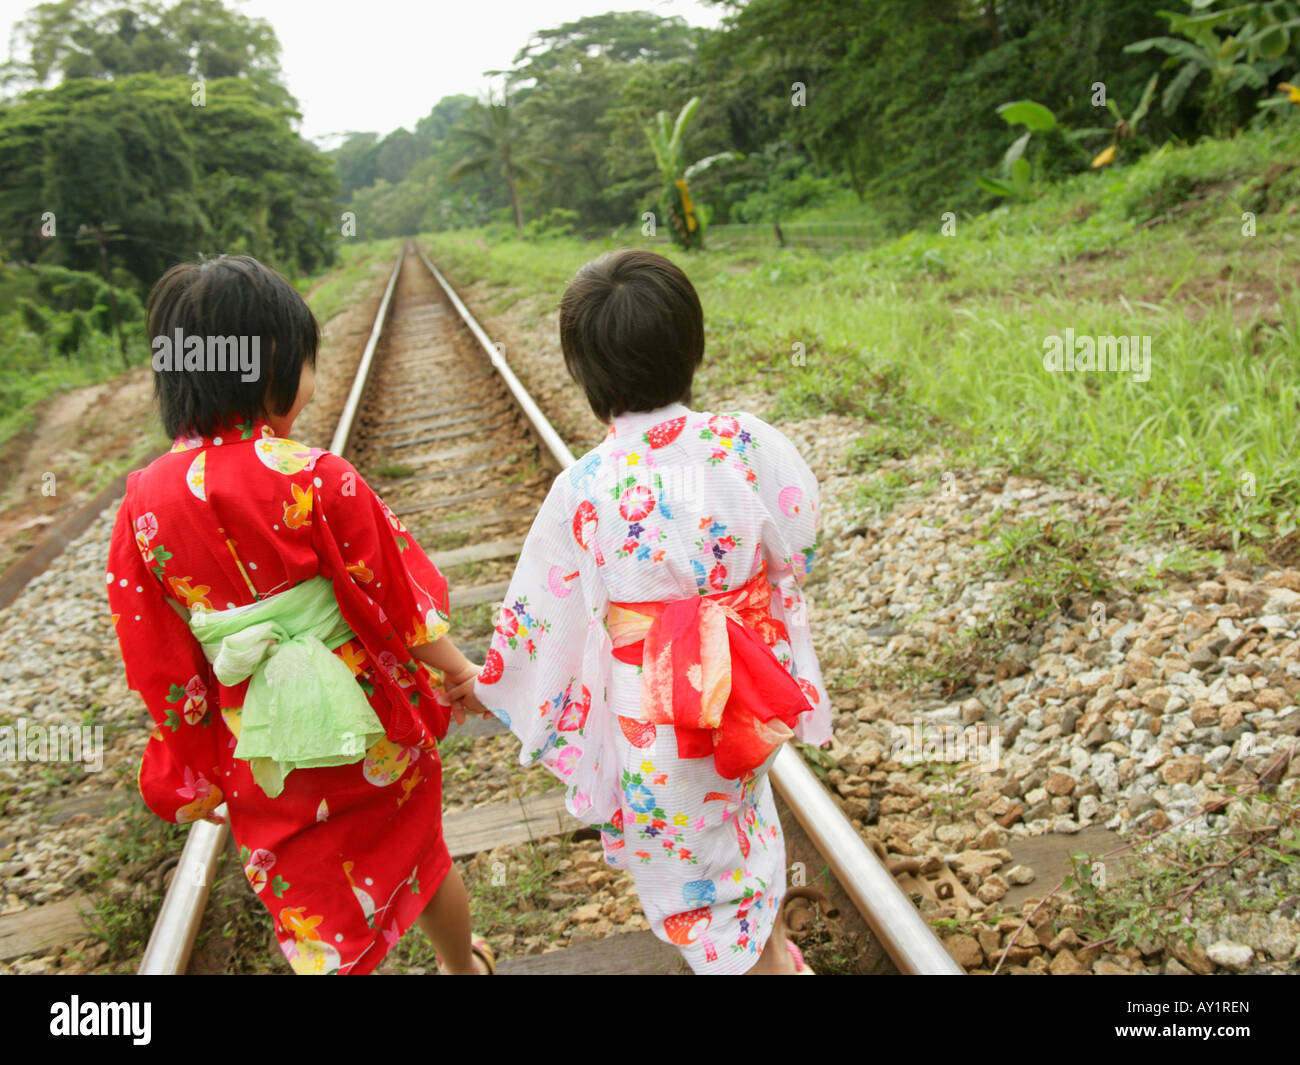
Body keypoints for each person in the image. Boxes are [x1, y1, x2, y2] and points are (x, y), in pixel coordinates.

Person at [106, 254, 492, 975]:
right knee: (422, 852)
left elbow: (158, 659)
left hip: (259, 742)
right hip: (365, 727)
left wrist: (194, 770)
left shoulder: (141, 504)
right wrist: (458, 671)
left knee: (307, 892)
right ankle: (461, 969)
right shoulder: (314, 474)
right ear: (274, 362)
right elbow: (396, 599)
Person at [450, 248, 831, 974]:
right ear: (693, 346)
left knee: (685, 854)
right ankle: (770, 944)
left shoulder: (586, 484)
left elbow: (543, 609)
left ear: (584, 376)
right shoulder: (745, 440)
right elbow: (799, 536)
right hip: (747, 682)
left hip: (655, 708)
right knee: (742, 815)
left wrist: (489, 679)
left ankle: (755, 964)